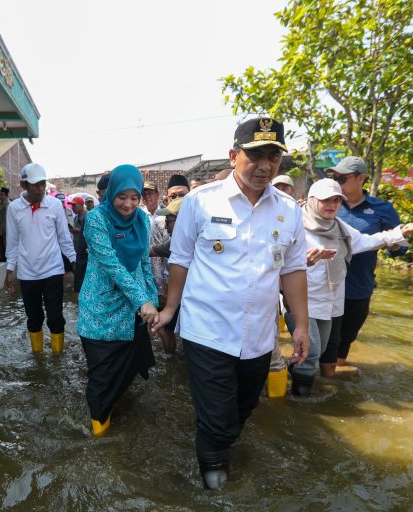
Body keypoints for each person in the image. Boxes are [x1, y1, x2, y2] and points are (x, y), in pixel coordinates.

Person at [153, 117, 310, 489]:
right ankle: (214, 478)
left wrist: (300, 325)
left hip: (258, 334)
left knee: (243, 407)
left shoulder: (288, 209)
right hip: (207, 330)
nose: (265, 165)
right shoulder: (200, 201)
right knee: (215, 417)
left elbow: (293, 269)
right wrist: (171, 310)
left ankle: (221, 442)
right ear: (234, 155)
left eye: (273, 156)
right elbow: (181, 258)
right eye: (255, 154)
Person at [293, 179, 413, 394]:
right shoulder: (294, 225)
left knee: (321, 348)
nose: (332, 205)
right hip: (301, 299)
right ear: (313, 201)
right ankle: (300, 397)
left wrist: (399, 233)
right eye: (326, 201)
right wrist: (304, 261)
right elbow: (277, 259)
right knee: (312, 351)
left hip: (329, 296)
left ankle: (293, 373)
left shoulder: (340, 227)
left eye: (336, 200)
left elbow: (366, 241)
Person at [77, 164, 158, 438]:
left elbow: (144, 262)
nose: (128, 204)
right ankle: (100, 432)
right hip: (101, 309)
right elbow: (111, 264)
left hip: (132, 310)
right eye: (122, 197)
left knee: (128, 368)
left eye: (134, 197)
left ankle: (116, 406)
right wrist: (141, 301)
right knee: (101, 377)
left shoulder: (142, 220)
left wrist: (152, 300)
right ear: (110, 194)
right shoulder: (96, 219)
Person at [326, 156, 407, 367]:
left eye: (342, 178)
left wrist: (395, 246)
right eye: (334, 178)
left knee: (343, 343)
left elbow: (399, 248)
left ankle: (337, 381)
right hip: (325, 286)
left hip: (358, 288)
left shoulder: (383, 209)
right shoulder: (328, 204)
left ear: (361, 178)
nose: (337, 182)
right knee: (320, 341)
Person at [4, 163, 76, 353]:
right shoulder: (14, 208)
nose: (41, 188)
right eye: (36, 184)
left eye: (43, 183)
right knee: (34, 319)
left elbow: (64, 238)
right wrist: (10, 270)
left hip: (53, 270)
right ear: (24, 185)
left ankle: (57, 357)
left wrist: (74, 261)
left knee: (55, 318)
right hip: (27, 274)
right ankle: (38, 357)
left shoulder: (54, 205)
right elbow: (12, 242)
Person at [142, 181, 174, 352]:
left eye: (151, 193)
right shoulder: (139, 215)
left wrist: (168, 281)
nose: (147, 196)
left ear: (158, 194)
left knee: (166, 324)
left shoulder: (166, 215)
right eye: (144, 193)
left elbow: (168, 250)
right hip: (147, 274)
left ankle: (170, 356)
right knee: (149, 318)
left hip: (166, 274)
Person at [149, 197, 183, 354]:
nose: (166, 227)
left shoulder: (180, 242)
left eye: (169, 221)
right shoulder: (174, 242)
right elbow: (150, 251)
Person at [69, 196, 88, 302]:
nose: (73, 207)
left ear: (81, 205)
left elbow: (87, 232)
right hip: (76, 249)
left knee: (82, 275)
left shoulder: (87, 216)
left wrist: (78, 230)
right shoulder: (76, 218)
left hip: (84, 252)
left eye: (74, 205)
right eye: (71, 205)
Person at [0, 186, 10, 259]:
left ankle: (8, 258)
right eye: (0, 195)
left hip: (6, 228)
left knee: (6, 243)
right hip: (4, 227)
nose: (1, 197)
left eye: (2, 195)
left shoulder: (7, 204)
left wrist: (3, 229)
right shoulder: (3, 203)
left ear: (6, 196)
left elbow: (6, 218)